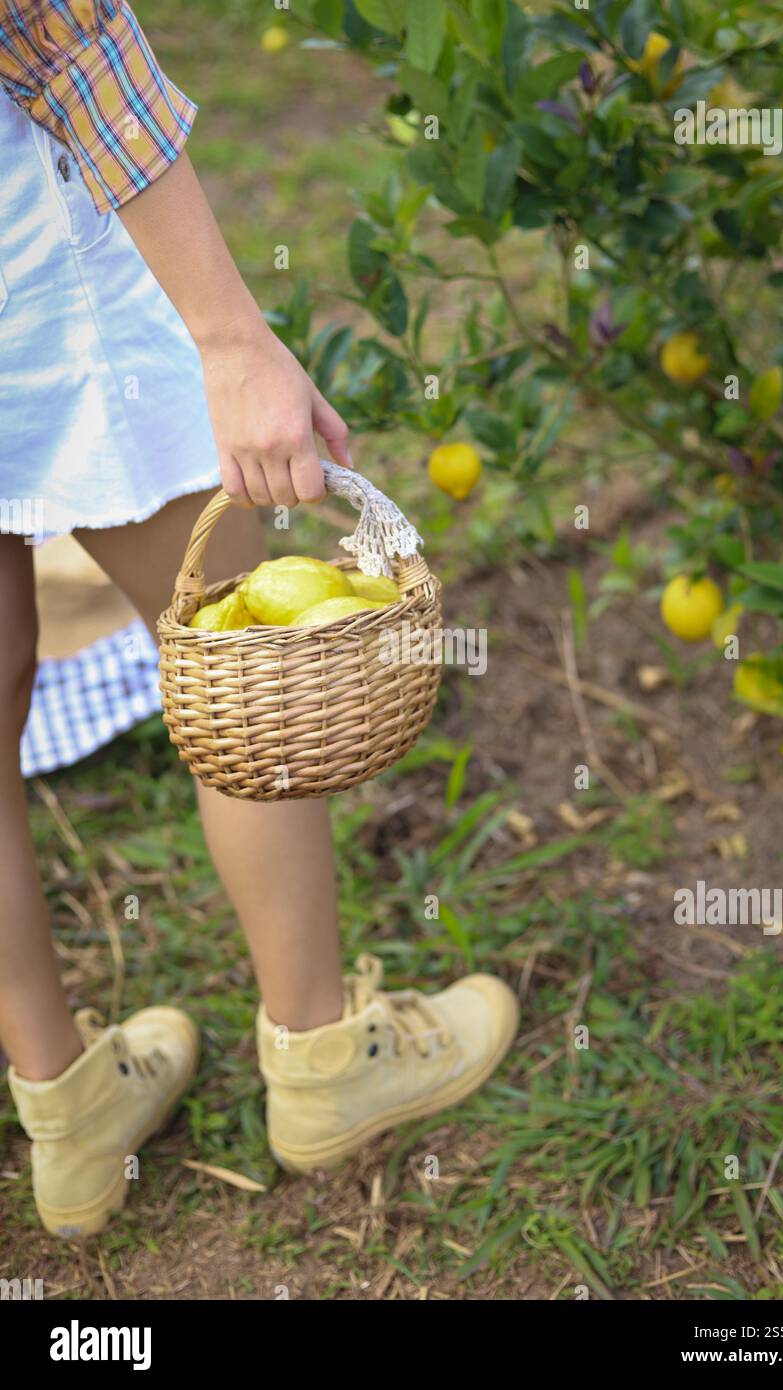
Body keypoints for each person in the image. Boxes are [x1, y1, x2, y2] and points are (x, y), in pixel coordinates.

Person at [0, 0, 518, 1238]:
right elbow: (62, 36)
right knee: (240, 653)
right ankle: (324, 1058)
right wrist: (231, 338)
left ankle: (65, 1111)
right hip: (24, 274)